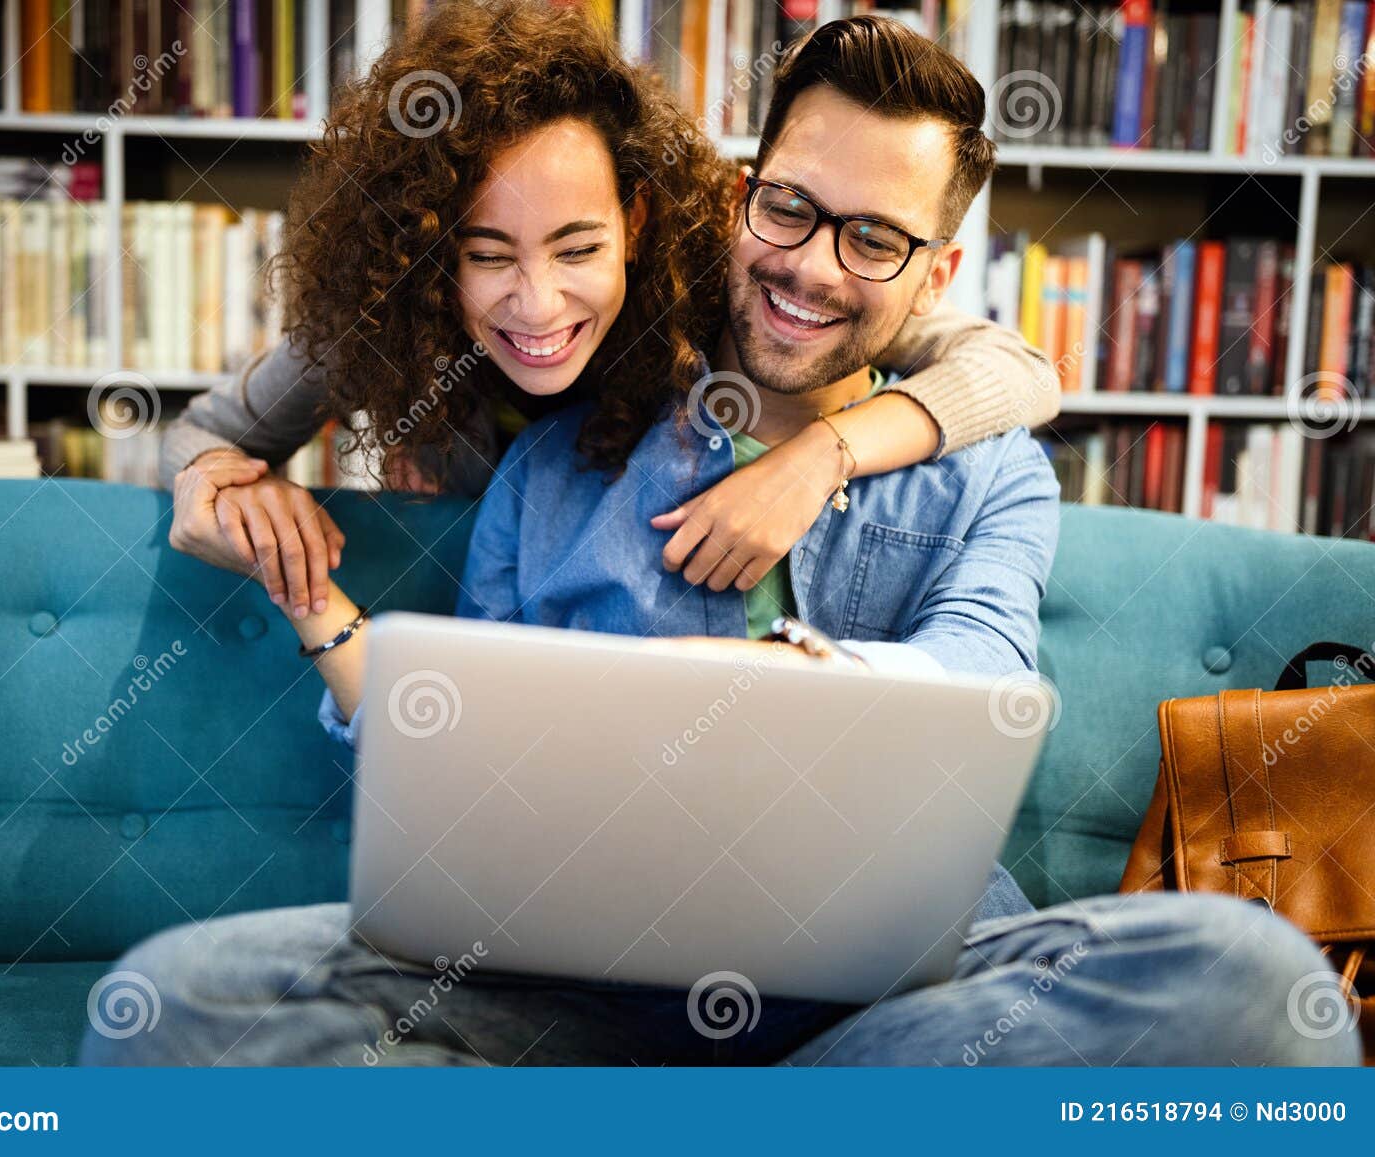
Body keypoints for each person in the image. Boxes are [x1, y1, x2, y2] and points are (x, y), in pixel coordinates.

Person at [81, 14, 1360, 1068]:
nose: (812, 265)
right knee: (183, 999)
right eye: (793, 210)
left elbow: (981, 657)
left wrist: (822, 629)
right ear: (743, 197)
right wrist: (238, 502)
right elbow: (452, 761)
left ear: (934, 272)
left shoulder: (988, 473)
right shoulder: (556, 457)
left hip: (896, 993)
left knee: (1249, 980)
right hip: (575, 984)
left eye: (874, 238)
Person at [162, 0, 1060, 625]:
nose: (540, 303)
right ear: (432, 252)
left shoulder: (744, 262)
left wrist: (819, 458)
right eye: (486, 254)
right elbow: (204, 432)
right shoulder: (385, 305)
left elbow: (1016, 372)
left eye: (579, 249)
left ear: (632, 225)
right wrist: (213, 483)